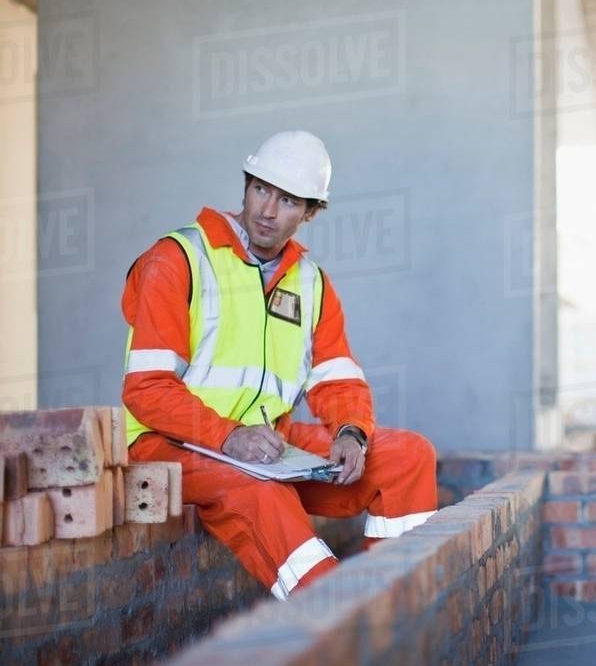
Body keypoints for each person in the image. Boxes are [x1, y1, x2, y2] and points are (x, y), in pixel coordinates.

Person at [121, 130, 437, 599]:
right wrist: (230, 437)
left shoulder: (311, 283)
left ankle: (402, 604)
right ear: (246, 185)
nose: (267, 210)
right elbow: (145, 389)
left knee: (408, 456)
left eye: (288, 200)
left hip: (267, 446)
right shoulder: (178, 260)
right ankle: (342, 628)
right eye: (261, 189)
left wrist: (351, 431)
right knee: (263, 496)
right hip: (171, 445)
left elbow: (338, 378)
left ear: (310, 213)